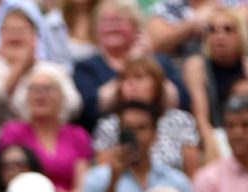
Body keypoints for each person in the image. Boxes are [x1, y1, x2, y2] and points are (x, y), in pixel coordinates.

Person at [73, 0, 189, 132]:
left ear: (136, 27)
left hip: (161, 134)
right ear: (96, 29)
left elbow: (180, 101)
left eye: (119, 21)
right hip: (108, 138)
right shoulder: (86, 67)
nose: (112, 26)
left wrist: (148, 63)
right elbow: (90, 109)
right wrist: (130, 64)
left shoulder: (160, 61)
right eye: (105, 21)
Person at [181, 6, 248, 164]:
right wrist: (215, 145)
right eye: (212, 30)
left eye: (227, 30)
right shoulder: (196, 67)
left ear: (241, 34)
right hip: (217, 134)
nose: (219, 36)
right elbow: (201, 118)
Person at [0, 63, 88, 192]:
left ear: (62, 96)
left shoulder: (77, 135)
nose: (40, 95)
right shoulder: (13, 132)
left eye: (47, 89)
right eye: (33, 89)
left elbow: (82, 189)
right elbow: (6, 179)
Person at [93, 55, 201, 177]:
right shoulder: (109, 125)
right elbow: (102, 176)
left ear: (157, 84)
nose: (131, 84)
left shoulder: (180, 121)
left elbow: (192, 175)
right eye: (125, 79)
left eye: (139, 78)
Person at [0, 8, 62, 138]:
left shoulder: (52, 70)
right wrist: (19, 69)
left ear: (35, 37)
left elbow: (72, 107)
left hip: (48, 141)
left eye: (21, 30)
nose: (15, 36)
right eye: (9, 31)